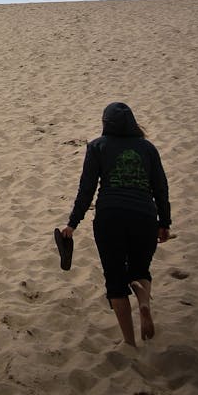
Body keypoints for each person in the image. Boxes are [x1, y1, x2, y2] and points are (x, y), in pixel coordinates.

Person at [58, 102, 171, 346]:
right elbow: (160, 187)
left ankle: (130, 343)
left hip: (110, 217)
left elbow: (86, 190)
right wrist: (165, 222)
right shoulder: (148, 149)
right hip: (145, 216)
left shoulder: (98, 146)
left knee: (115, 280)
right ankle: (143, 303)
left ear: (105, 123)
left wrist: (72, 223)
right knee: (141, 269)